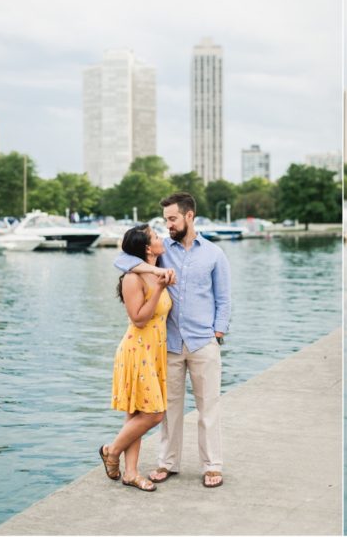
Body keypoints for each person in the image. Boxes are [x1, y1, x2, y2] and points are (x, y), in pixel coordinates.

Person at [114, 192, 232, 488]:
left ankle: (212, 465)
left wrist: (218, 333)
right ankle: (168, 462)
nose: (168, 225)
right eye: (165, 220)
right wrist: (156, 269)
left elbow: (224, 298)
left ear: (189, 216)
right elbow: (122, 259)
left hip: (203, 341)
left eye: (172, 218)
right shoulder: (162, 248)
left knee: (209, 407)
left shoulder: (214, 253)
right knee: (169, 410)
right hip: (169, 344)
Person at [99, 224, 171, 492]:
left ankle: (130, 473)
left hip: (155, 352)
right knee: (154, 414)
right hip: (137, 350)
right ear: (147, 248)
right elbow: (139, 319)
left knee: (136, 413)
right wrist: (161, 291)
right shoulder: (133, 278)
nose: (161, 237)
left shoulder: (154, 270)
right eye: (155, 236)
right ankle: (112, 450)